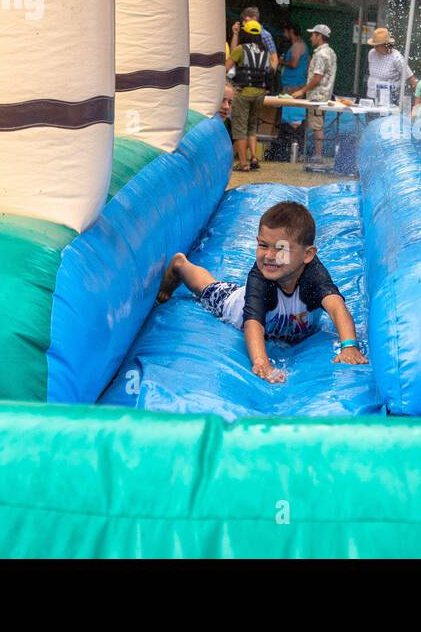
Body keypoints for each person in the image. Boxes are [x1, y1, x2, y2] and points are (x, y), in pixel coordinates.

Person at [155, 200, 367, 382]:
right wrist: (262, 363)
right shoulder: (260, 278)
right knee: (209, 289)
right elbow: (253, 324)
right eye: (263, 245)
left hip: (288, 325)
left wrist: (349, 346)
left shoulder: (314, 275)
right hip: (235, 305)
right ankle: (181, 265)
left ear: (308, 254)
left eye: (281, 249)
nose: (269, 256)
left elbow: (337, 307)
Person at [228, 21, 275, 172]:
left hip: (243, 92)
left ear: (245, 33)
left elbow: (225, 67)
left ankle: (243, 164)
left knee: (240, 128)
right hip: (260, 93)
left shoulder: (241, 49)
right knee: (252, 127)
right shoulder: (265, 52)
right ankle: (254, 157)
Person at [288, 24, 337, 166]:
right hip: (324, 94)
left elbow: (317, 77)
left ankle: (317, 155)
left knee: (317, 126)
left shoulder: (321, 54)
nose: (311, 38)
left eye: (313, 35)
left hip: (317, 96)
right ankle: (316, 155)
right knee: (317, 125)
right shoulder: (331, 52)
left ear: (319, 36)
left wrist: (302, 91)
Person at [365, 27, 414, 105]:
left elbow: (411, 78)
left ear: (386, 45)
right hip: (371, 95)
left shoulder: (396, 58)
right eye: (374, 45)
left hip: (389, 98)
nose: (375, 48)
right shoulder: (371, 53)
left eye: (377, 45)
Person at [279, 22, 309, 131]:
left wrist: (280, 61)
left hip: (293, 85)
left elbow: (294, 64)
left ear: (291, 32)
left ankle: (291, 139)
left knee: (292, 117)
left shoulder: (297, 45)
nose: (284, 34)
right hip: (295, 83)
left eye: (285, 32)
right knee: (292, 115)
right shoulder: (302, 45)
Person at [231, 7, 279, 74]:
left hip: (260, 77)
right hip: (244, 76)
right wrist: (235, 34)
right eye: (243, 21)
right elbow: (234, 53)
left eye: (246, 20)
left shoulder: (265, 35)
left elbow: (274, 59)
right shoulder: (244, 32)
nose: (244, 23)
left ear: (254, 19)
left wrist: (269, 77)